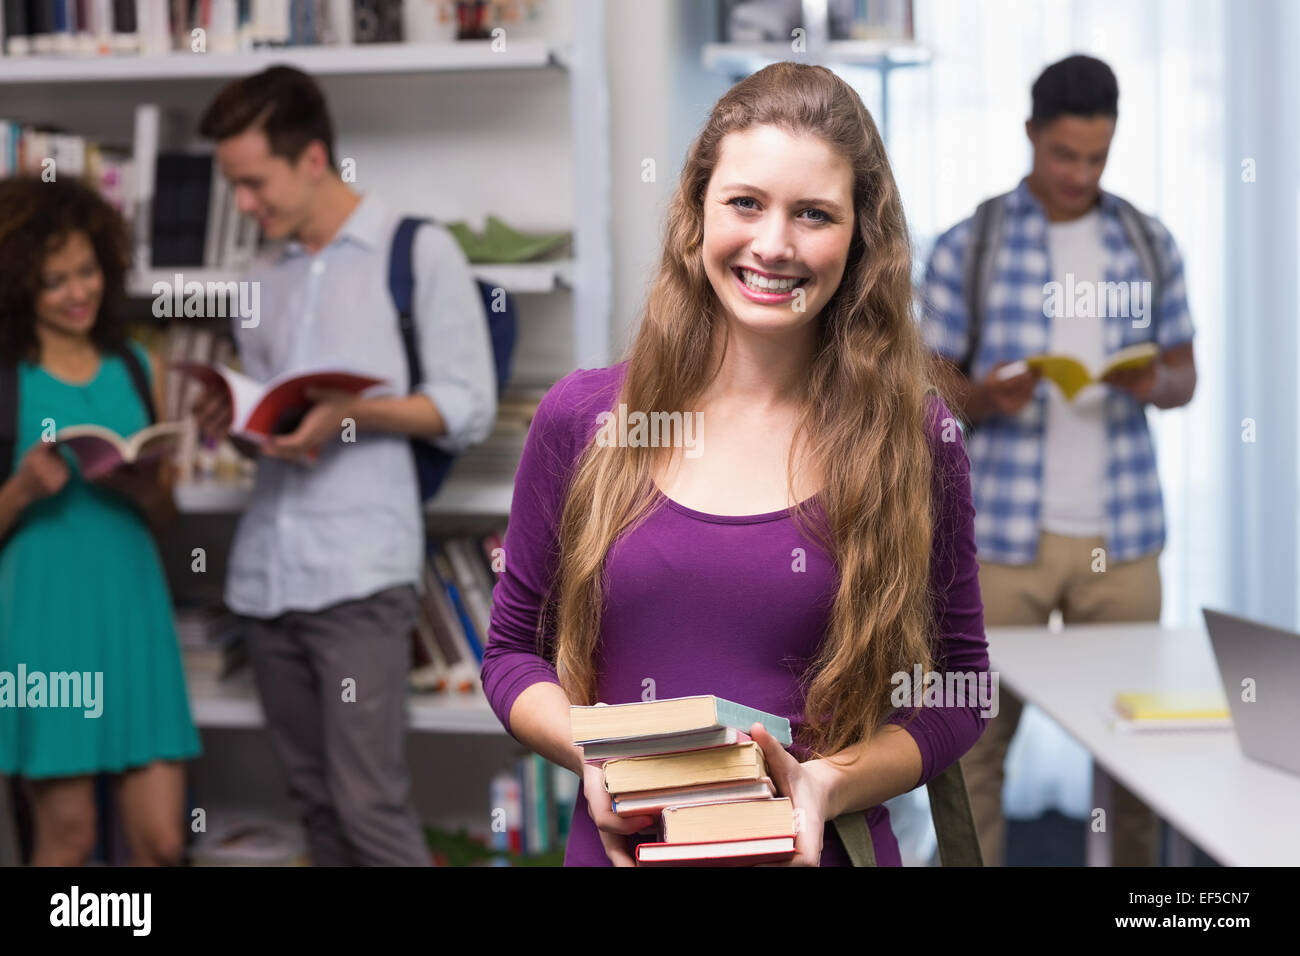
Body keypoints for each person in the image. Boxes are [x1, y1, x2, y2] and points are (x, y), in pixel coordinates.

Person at [481, 61, 989, 866]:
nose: (773, 245)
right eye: (745, 203)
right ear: (696, 213)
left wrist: (827, 784)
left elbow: (961, 689)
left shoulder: (915, 440)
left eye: (814, 213)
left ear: (862, 238)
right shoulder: (583, 420)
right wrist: (595, 760)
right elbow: (512, 654)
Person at [191, 66, 497, 866]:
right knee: (315, 807)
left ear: (314, 159)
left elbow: (466, 405)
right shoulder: (262, 278)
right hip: (267, 576)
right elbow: (272, 415)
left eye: (254, 184)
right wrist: (237, 420)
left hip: (360, 574)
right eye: (235, 187)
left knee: (369, 806)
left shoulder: (415, 252)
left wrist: (352, 414)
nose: (247, 206)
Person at [921, 54, 1198, 866]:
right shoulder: (969, 245)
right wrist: (983, 396)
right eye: (1064, 154)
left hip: (1125, 538)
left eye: (1097, 158)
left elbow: (1185, 376)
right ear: (1032, 135)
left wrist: (1156, 381)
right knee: (973, 750)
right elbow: (922, 394)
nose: (1080, 173)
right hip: (999, 544)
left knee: (1137, 759)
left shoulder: (1148, 243)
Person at [0, 176, 200, 865]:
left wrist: (147, 489)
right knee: (68, 836)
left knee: (163, 840)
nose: (78, 292)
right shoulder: (7, 378)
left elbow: (166, 514)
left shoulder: (136, 365)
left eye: (86, 270)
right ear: (20, 284)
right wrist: (22, 489)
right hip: (41, 623)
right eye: (54, 280)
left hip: (133, 612)